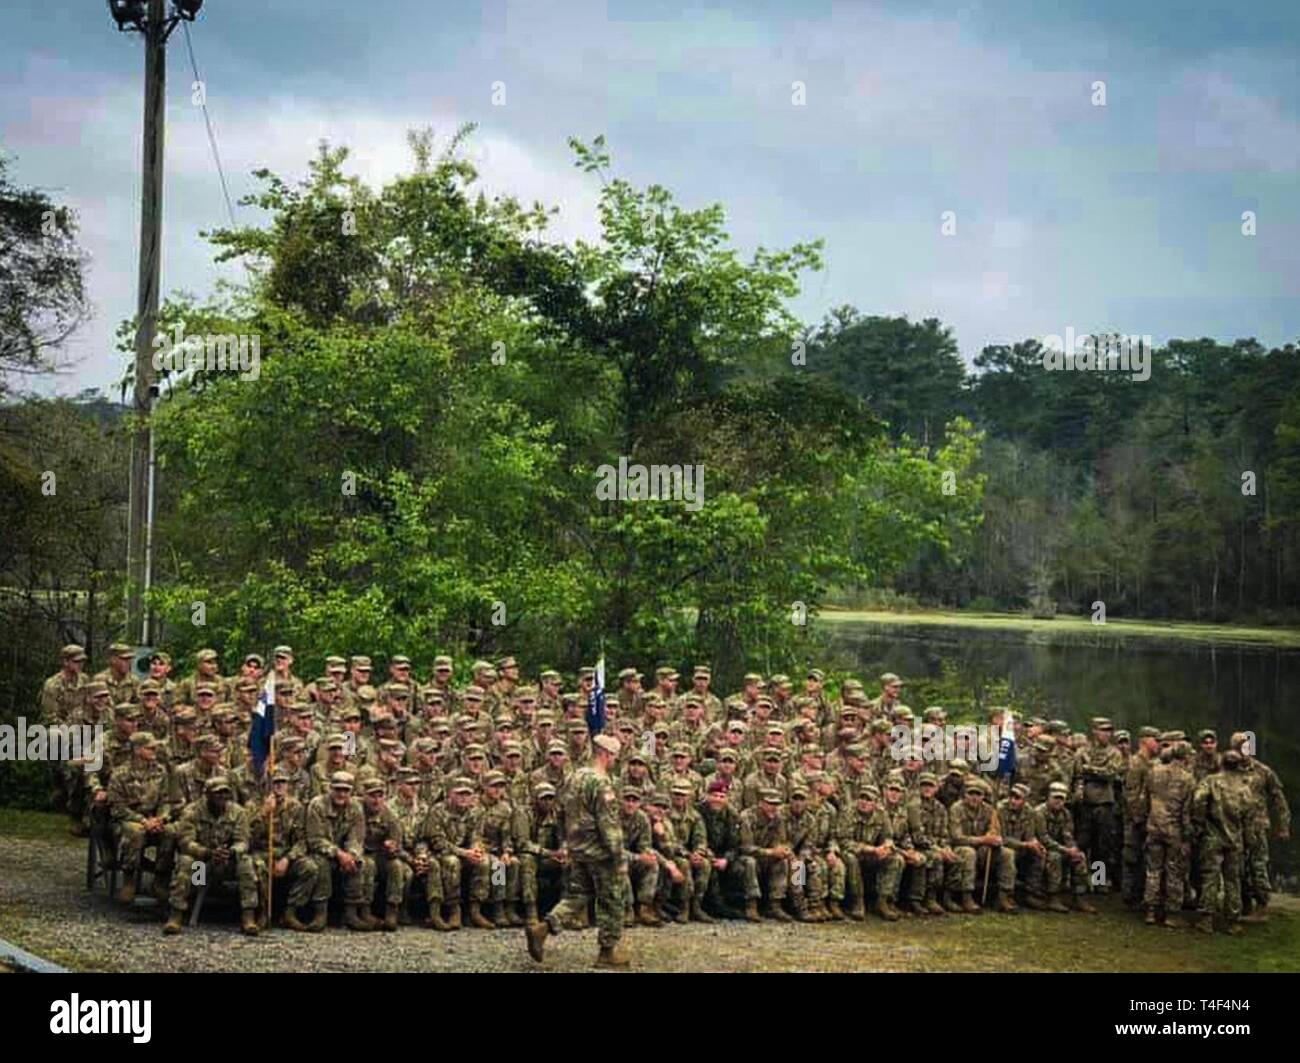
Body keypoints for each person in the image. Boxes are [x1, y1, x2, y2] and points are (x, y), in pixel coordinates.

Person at [525, 733, 628, 967]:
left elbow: (560, 813)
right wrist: (618, 855)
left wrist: (568, 843)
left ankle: (543, 929)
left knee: (577, 896)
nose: (615, 761)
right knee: (611, 899)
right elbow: (608, 823)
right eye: (614, 756)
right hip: (600, 852)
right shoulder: (601, 782)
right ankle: (607, 952)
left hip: (578, 848)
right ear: (606, 755)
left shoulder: (573, 777)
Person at [164, 776, 259, 936]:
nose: (222, 797)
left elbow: (243, 841)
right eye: (217, 793)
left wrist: (231, 852)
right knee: (185, 861)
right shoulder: (192, 812)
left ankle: (248, 917)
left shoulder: (238, 813)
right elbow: (186, 842)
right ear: (207, 794)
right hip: (201, 866)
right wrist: (207, 852)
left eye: (225, 793)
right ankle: (176, 915)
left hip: (227, 863)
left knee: (246, 862)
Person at [305, 771, 371, 931]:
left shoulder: (355, 808)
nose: (342, 794)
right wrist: (338, 853)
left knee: (360, 862)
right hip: (320, 851)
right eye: (338, 789)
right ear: (330, 788)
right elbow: (315, 839)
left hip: (344, 853)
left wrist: (351, 855)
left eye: (346, 790)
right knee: (321, 864)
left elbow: (356, 837)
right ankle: (320, 913)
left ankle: (351, 913)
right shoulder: (317, 805)